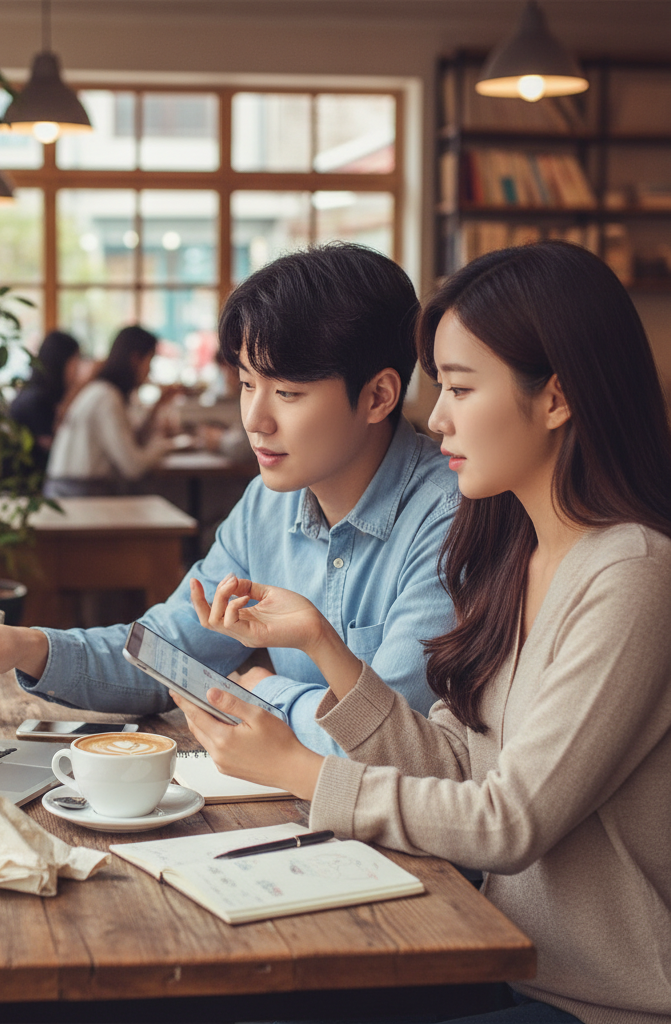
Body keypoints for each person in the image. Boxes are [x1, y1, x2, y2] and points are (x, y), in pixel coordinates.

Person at [172, 241, 671, 1024]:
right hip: (499, 949)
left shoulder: (632, 575)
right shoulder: (517, 550)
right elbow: (459, 759)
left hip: (594, 1000)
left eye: (461, 388)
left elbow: (508, 822)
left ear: (556, 399)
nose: (434, 416)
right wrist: (322, 645)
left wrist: (303, 771)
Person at [0, 243, 460, 756]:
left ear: (379, 395)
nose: (255, 419)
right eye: (247, 384)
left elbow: (393, 740)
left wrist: (260, 691)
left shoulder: (448, 517)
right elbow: (166, 656)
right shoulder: (266, 504)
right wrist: (26, 646)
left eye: (286, 392)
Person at [43, 325, 179, 498]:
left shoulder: (100, 391)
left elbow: (129, 444)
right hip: (80, 494)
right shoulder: (107, 398)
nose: (150, 370)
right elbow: (133, 467)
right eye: (150, 360)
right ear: (136, 359)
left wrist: (157, 408)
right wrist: (163, 446)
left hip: (66, 490)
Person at [8, 330, 84, 476]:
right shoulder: (36, 400)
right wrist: (74, 394)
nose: (78, 369)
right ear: (62, 362)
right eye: (76, 360)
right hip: (23, 485)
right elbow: (58, 451)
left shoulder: (33, 392)